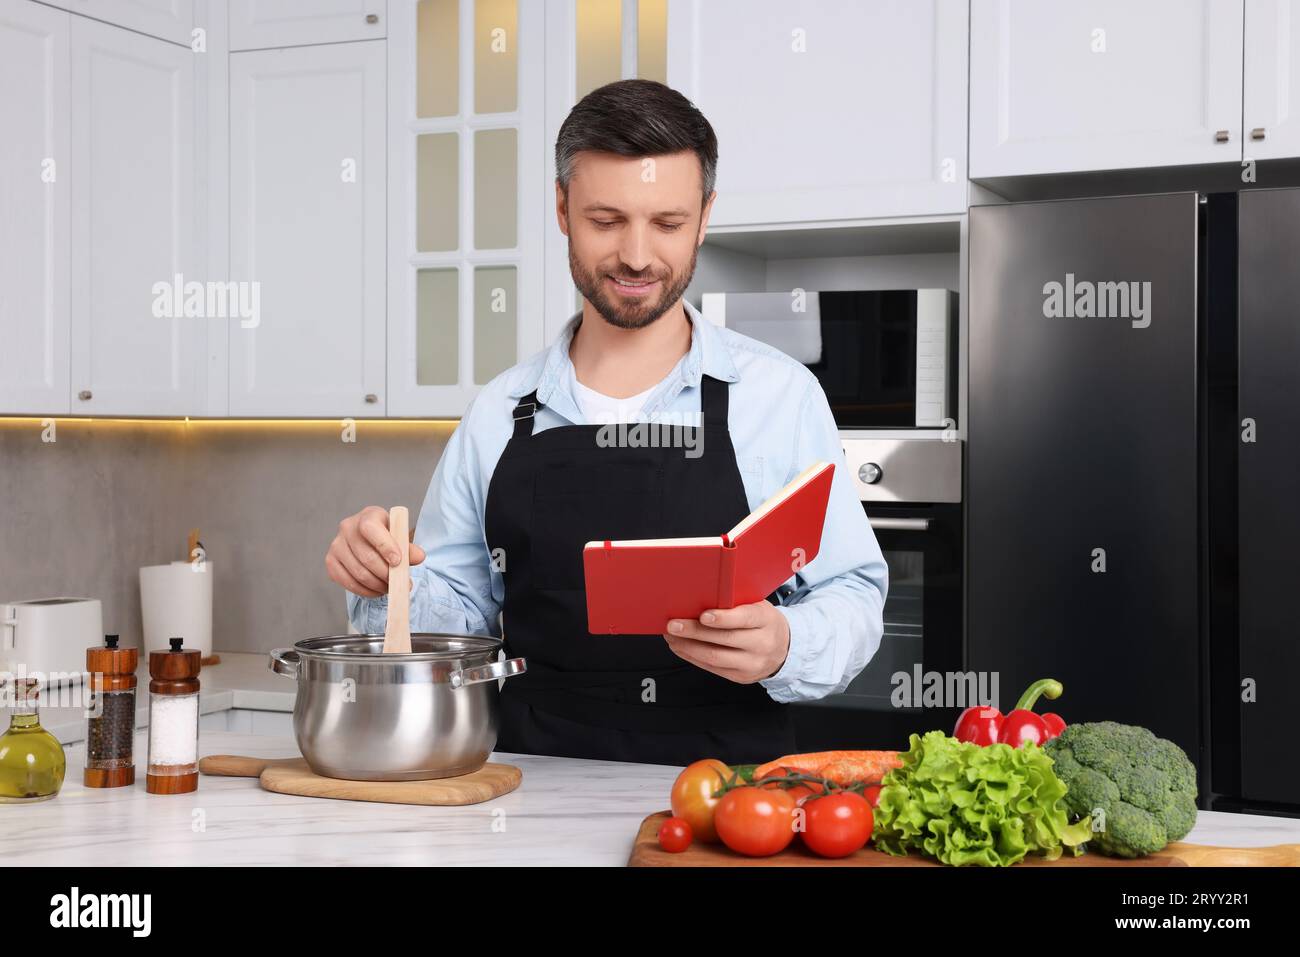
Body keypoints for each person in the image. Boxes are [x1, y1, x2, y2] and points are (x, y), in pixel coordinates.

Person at [326, 79, 887, 765]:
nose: (637, 256)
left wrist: (785, 644)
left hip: (727, 806)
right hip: (526, 792)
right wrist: (389, 582)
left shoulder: (780, 397)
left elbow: (851, 593)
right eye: (606, 220)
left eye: (668, 223)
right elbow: (457, 620)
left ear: (706, 216)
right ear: (561, 208)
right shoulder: (498, 413)